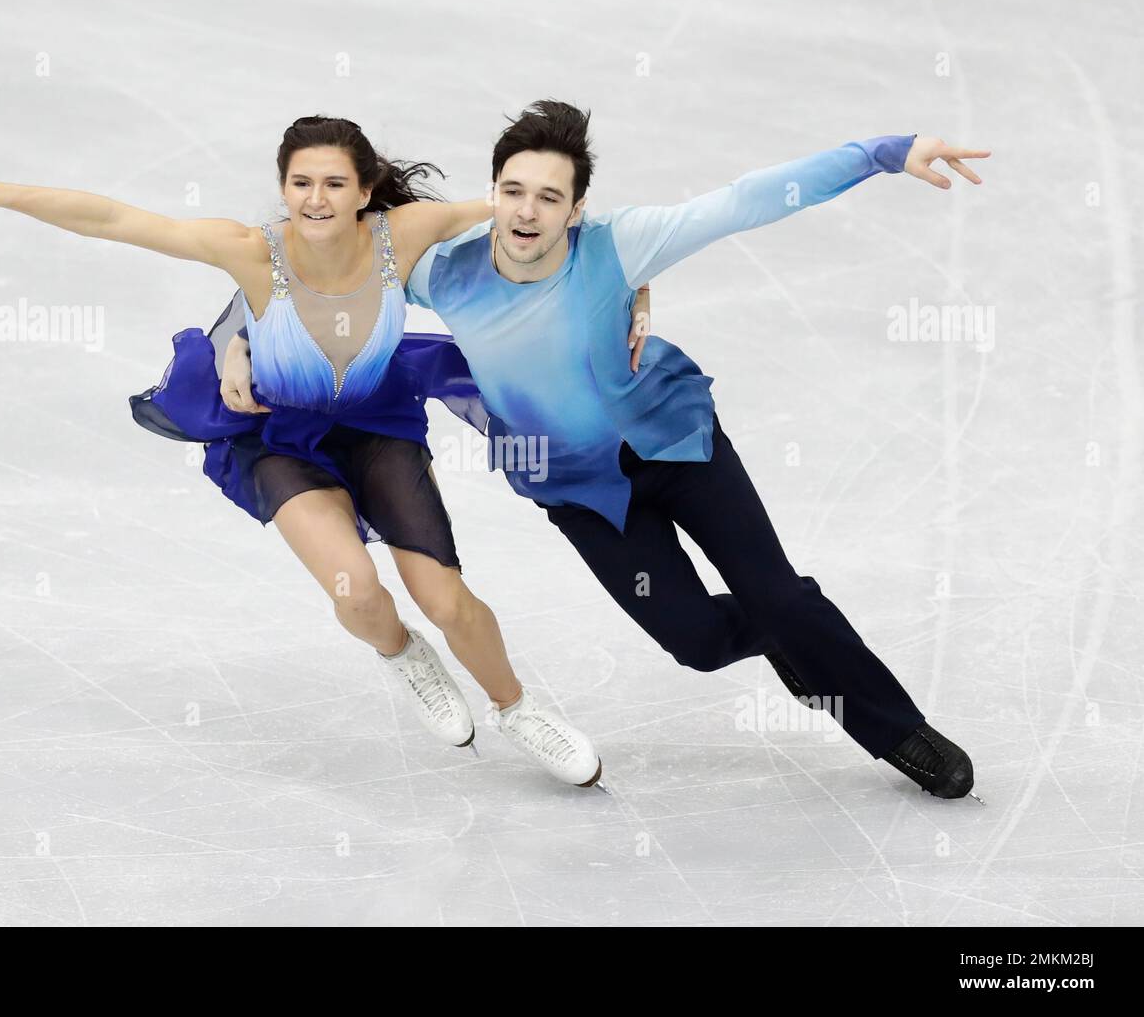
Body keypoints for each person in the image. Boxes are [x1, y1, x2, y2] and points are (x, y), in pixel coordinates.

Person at [223, 101, 990, 801]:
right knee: (697, 642)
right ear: (494, 192)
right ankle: (781, 629)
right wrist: (234, 336)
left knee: (779, 592)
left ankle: (896, 730)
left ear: (577, 208)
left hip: (677, 446)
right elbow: (317, 262)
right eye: (514, 191)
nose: (528, 212)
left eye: (550, 197)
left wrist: (887, 152)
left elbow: (748, 200)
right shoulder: (441, 272)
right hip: (580, 492)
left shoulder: (623, 245)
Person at [0, 115, 648, 790]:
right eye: (301, 183)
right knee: (357, 593)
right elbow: (112, 218)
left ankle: (516, 708)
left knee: (448, 600)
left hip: (380, 428)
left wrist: (637, 287)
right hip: (279, 436)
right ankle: (402, 655)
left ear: (365, 190)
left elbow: (545, 225)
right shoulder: (249, 251)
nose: (317, 199)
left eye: (335, 183)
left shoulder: (408, 231)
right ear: (283, 187)